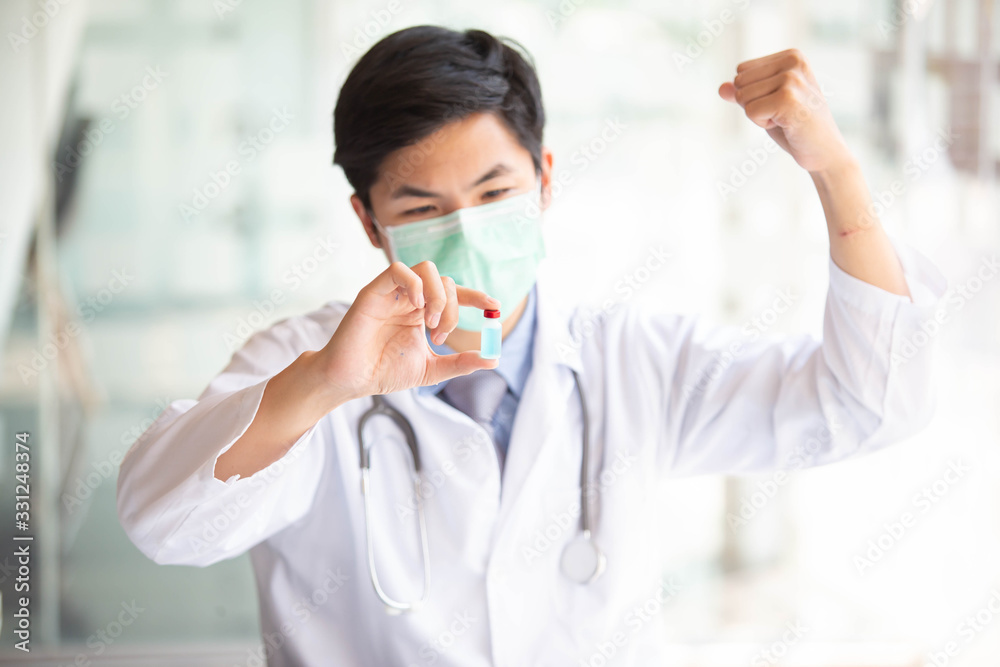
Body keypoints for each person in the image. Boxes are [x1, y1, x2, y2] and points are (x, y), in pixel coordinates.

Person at [117, 25, 947, 666]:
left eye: (494, 192)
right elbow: (164, 526)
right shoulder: (304, 365)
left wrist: (835, 169)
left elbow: (866, 404)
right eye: (421, 210)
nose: (467, 232)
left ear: (545, 180)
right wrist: (322, 387)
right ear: (368, 222)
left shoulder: (630, 360)